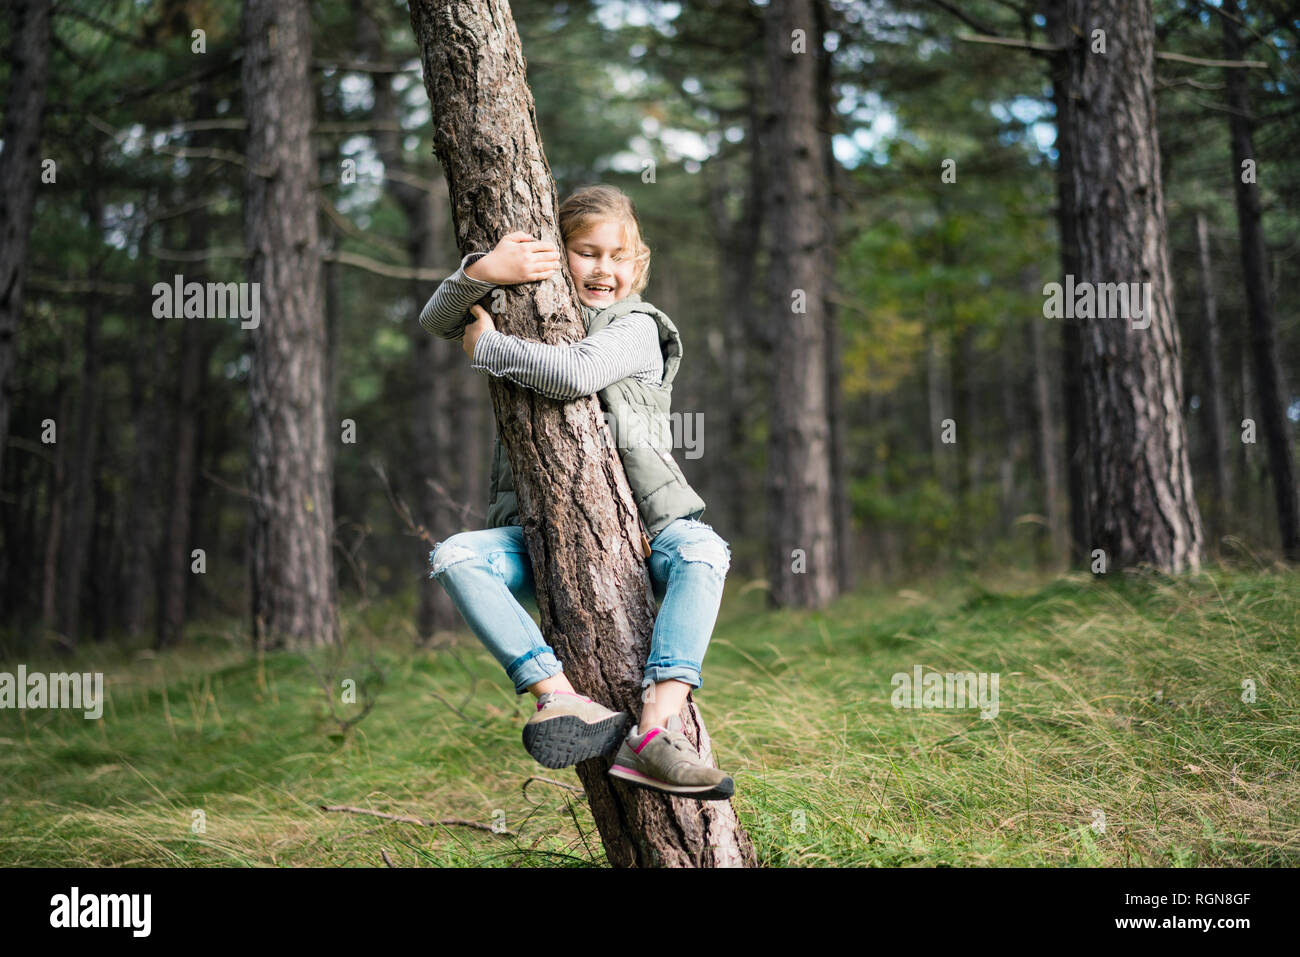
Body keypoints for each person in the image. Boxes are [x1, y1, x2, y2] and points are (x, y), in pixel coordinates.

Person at [418, 184, 734, 800]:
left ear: (638, 264)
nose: (604, 270)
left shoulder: (637, 325)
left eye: (619, 256)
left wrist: (490, 348)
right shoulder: (522, 306)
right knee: (456, 555)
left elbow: (575, 374)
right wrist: (483, 273)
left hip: (654, 525)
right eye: (586, 253)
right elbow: (434, 320)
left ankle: (656, 729)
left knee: (705, 553)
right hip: (545, 530)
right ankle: (557, 697)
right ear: (554, 256)